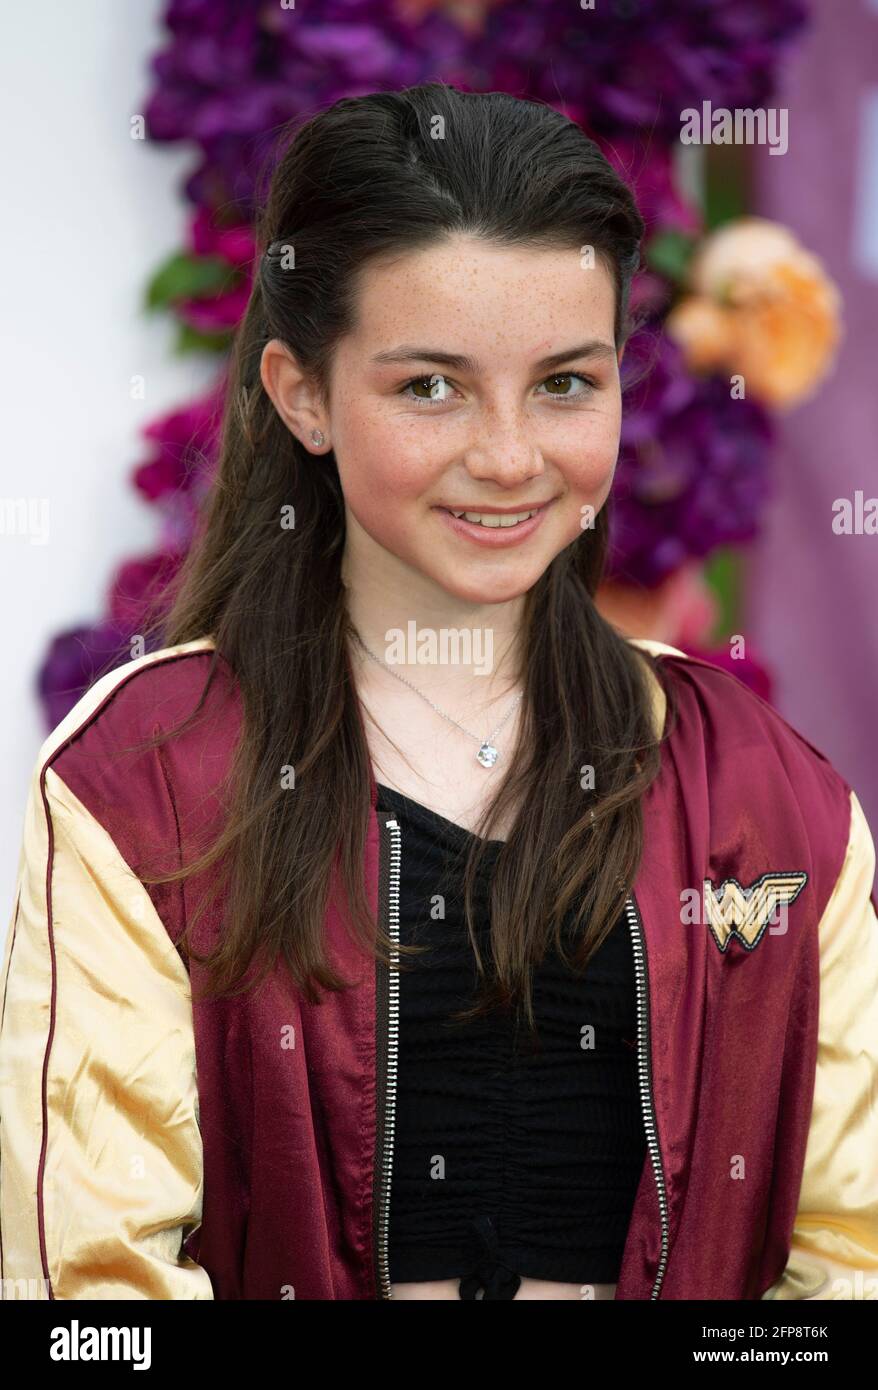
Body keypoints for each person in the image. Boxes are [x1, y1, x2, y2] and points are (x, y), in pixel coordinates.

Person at [1, 81, 877, 1303]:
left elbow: (845, 1259)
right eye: (430, 387)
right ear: (300, 392)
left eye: (566, 382)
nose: (511, 456)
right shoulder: (147, 781)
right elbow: (91, 1304)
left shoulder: (765, 795)